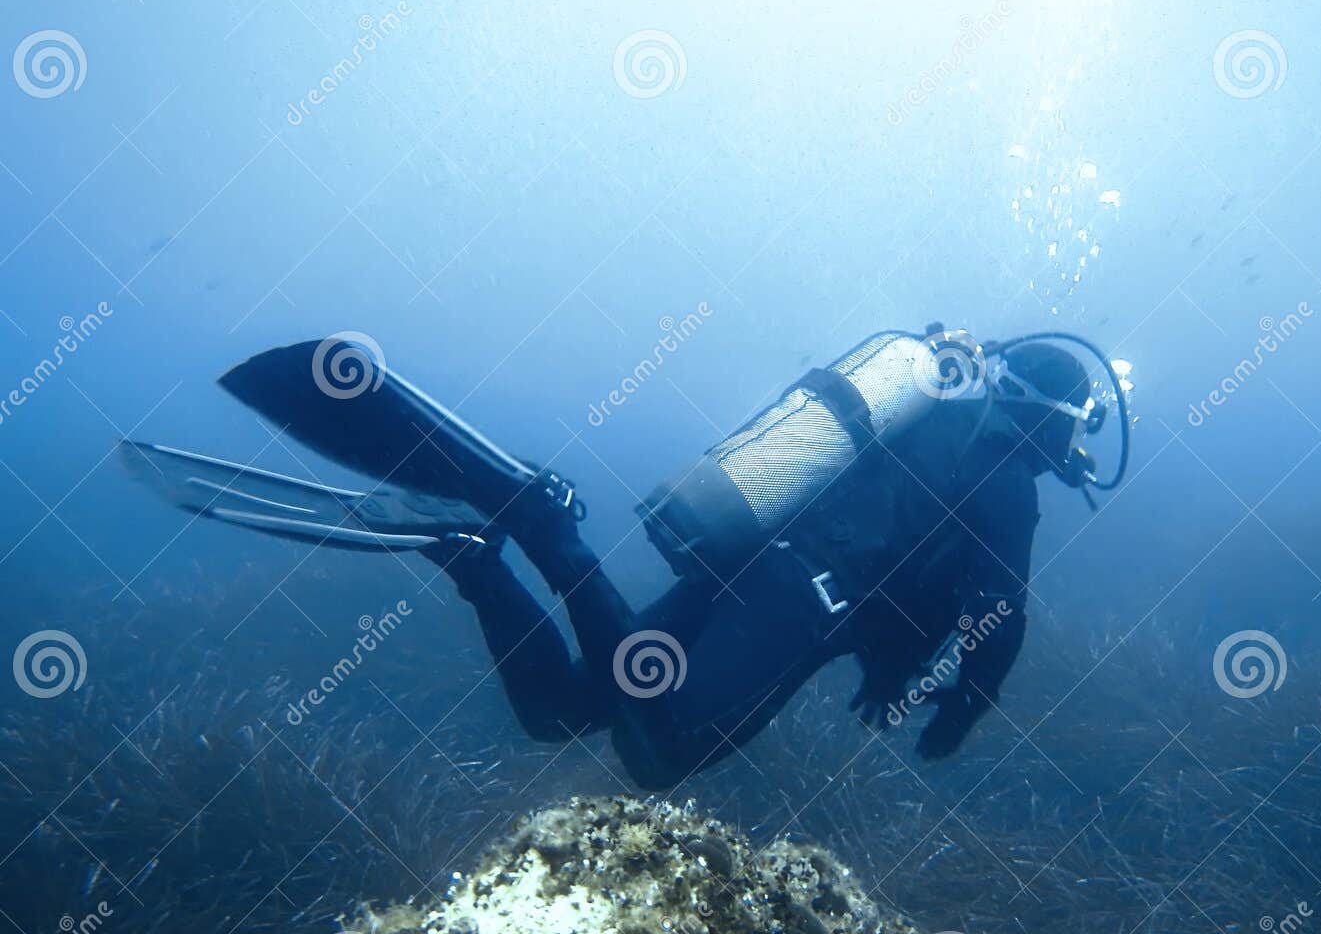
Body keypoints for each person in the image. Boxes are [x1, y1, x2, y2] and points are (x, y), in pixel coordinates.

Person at [121, 328, 1121, 788]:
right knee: (658, 747)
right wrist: (959, 712)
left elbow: (907, 570)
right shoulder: (1002, 477)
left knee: (568, 713)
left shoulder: (931, 424)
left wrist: (893, 671)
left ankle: (470, 553)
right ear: (1056, 417)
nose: (1076, 452)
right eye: (1079, 430)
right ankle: (539, 524)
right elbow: (1001, 612)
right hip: (797, 594)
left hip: (754, 564)